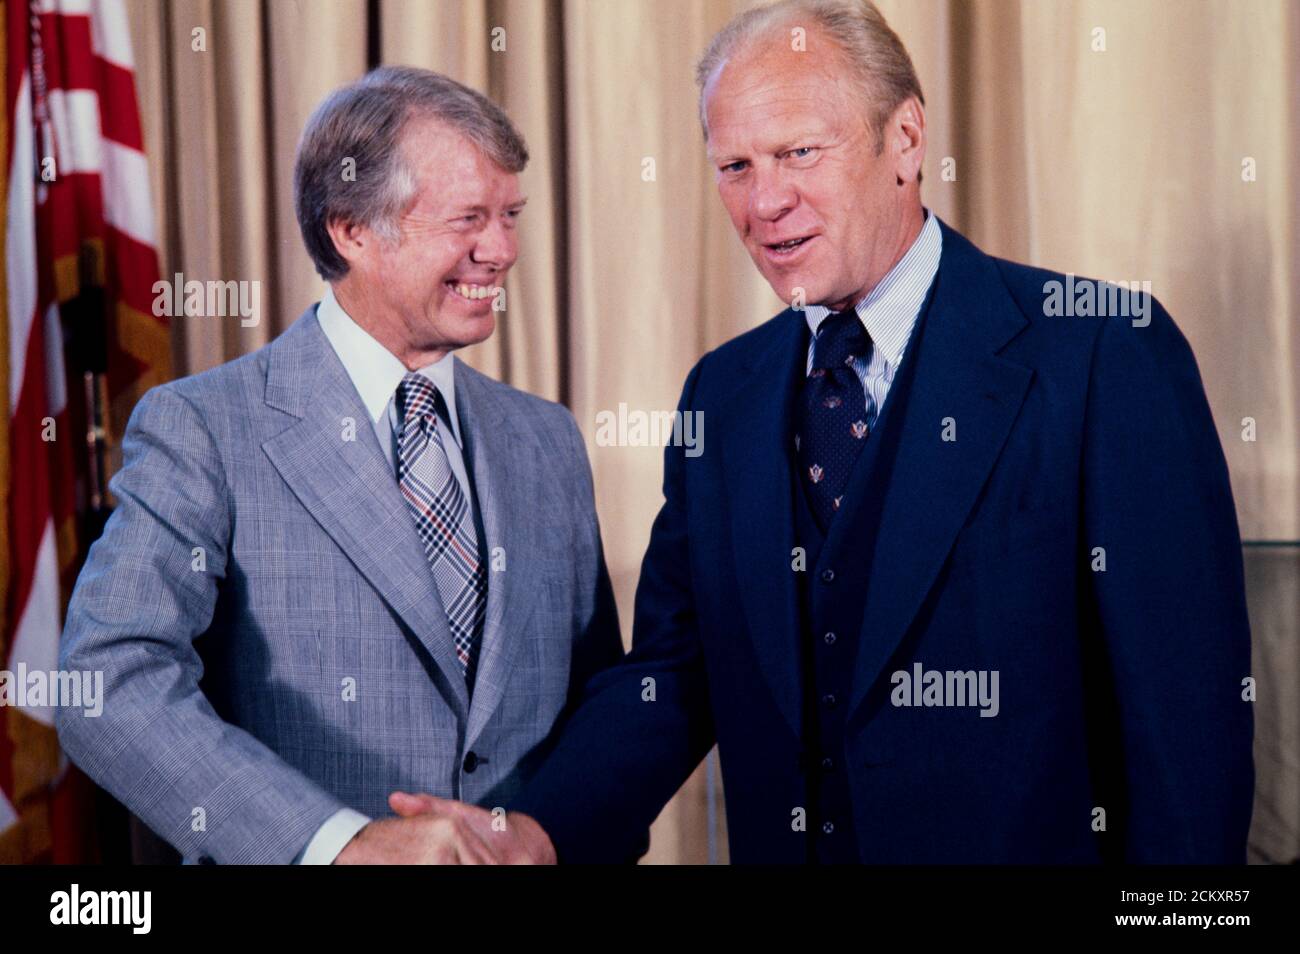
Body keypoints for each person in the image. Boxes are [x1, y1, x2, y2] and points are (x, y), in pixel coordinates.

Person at [400, 0, 1254, 864]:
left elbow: (1186, 727)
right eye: (734, 164)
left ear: (907, 140)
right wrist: (539, 833)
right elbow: (673, 673)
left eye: (799, 152)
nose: (766, 201)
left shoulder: (1102, 354)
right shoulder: (721, 396)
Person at [56, 66, 624, 864]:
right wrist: (341, 846)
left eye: (510, 216)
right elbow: (107, 683)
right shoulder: (205, 428)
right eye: (468, 218)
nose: (499, 251)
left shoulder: (547, 439)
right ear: (351, 229)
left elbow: (602, 706)